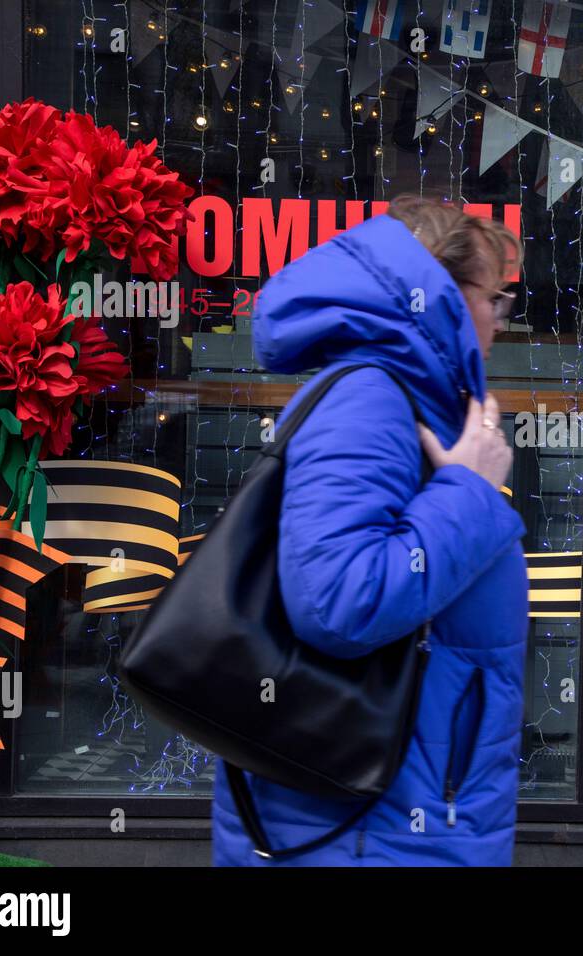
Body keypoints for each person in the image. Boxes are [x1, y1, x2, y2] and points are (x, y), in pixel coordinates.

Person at [211, 195, 529, 866]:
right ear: (442, 294)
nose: (499, 323)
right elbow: (341, 601)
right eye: (493, 299)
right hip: (364, 828)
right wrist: (469, 495)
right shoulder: (370, 400)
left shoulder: (397, 394)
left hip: (383, 806)